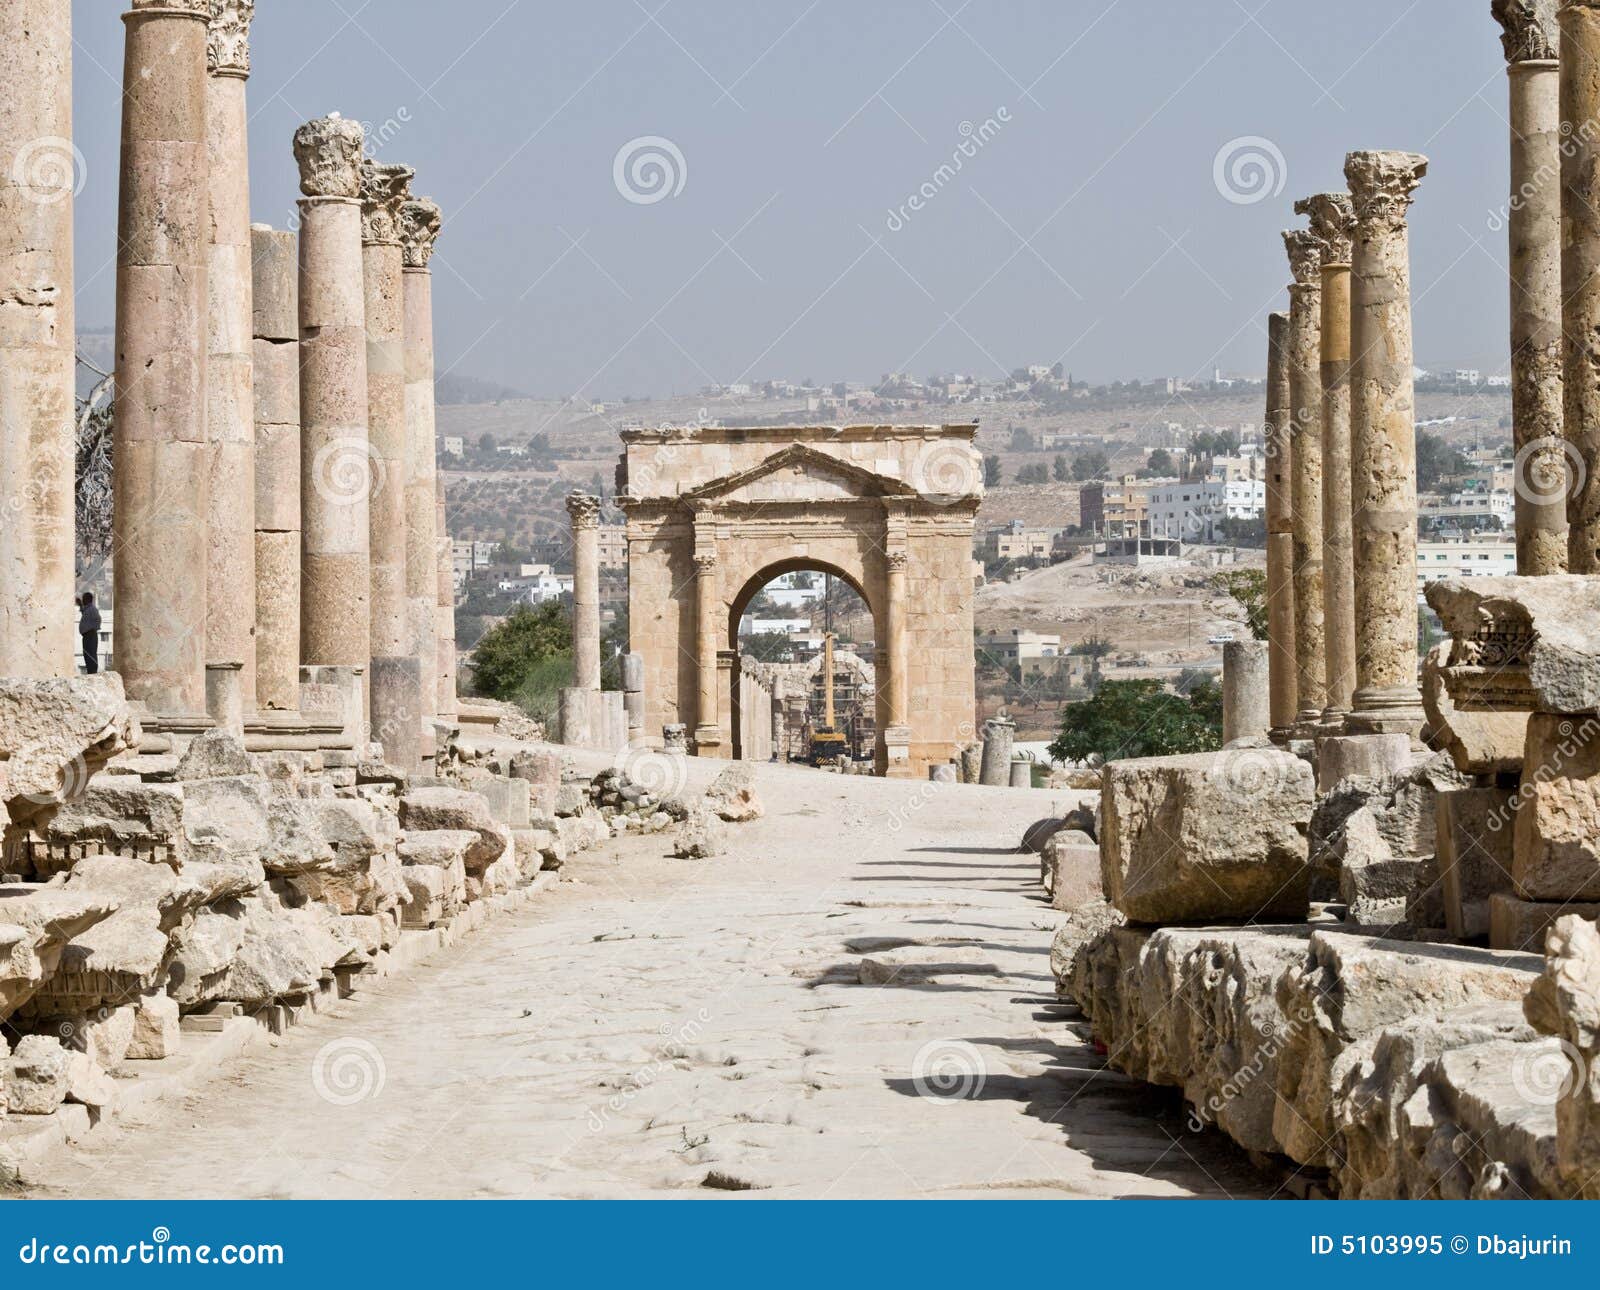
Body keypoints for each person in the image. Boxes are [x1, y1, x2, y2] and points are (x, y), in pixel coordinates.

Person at [78, 592, 101, 675]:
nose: (83, 600)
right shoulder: (88, 609)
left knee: (91, 654)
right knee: (87, 654)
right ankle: (90, 671)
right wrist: (80, 605)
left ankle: (93, 672)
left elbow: (98, 619)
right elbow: (84, 612)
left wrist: (92, 628)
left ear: (87, 600)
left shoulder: (92, 609)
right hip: (87, 635)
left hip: (90, 634)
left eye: (84, 599)